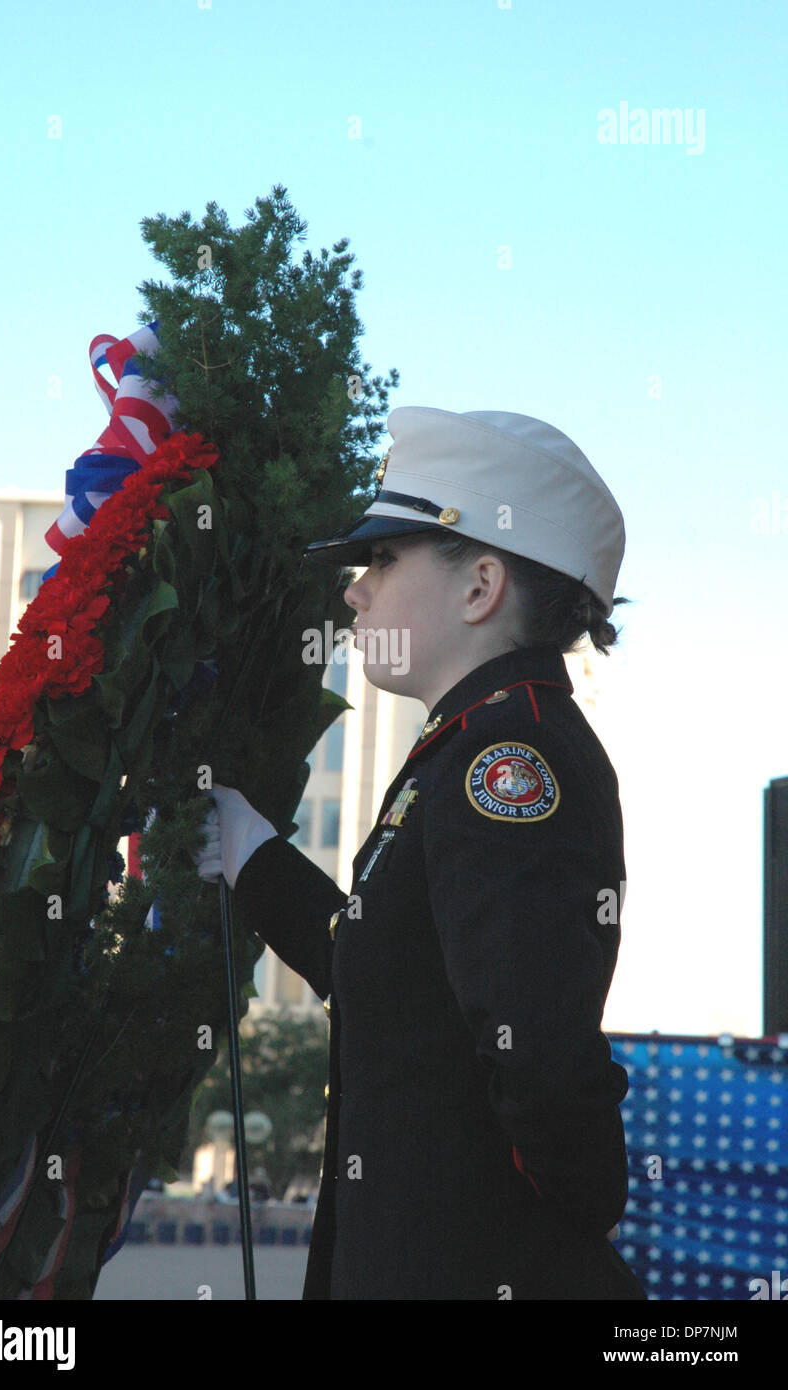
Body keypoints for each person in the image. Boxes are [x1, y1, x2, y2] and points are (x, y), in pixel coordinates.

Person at [194, 406, 647, 1301]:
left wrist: (572, 1225)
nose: (355, 592)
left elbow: (540, 1056)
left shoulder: (507, 757)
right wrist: (254, 855)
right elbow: (396, 984)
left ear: (481, 586)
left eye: (383, 560)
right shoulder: (468, 744)